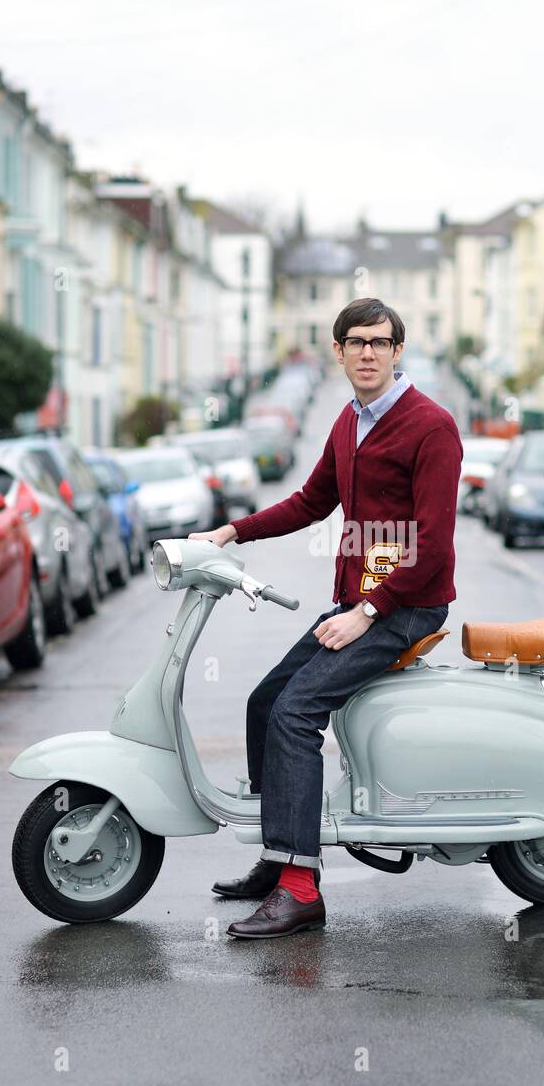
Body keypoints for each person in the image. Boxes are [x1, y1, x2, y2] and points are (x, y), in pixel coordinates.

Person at [190, 297, 462, 939]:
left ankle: (300, 888)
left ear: (398, 351)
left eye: (380, 341)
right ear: (336, 352)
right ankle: (278, 852)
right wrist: (228, 532)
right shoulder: (350, 421)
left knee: (297, 713)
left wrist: (368, 613)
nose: (368, 352)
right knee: (266, 701)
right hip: (360, 603)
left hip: (405, 607)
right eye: (355, 342)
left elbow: (433, 543)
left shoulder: (432, 426)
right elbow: (311, 501)